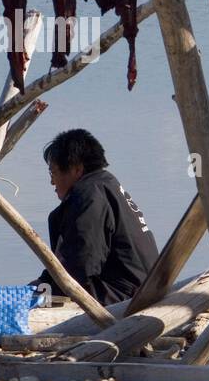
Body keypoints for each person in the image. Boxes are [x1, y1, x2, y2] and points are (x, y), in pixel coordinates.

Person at [34, 129, 158, 305]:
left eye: (53, 173)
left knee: (37, 298)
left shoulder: (89, 196)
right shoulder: (105, 184)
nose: (52, 182)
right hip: (142, 288)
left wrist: (43, 290)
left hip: (124, 299)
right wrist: (44, 280)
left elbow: (81, 264)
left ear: (76, 169)